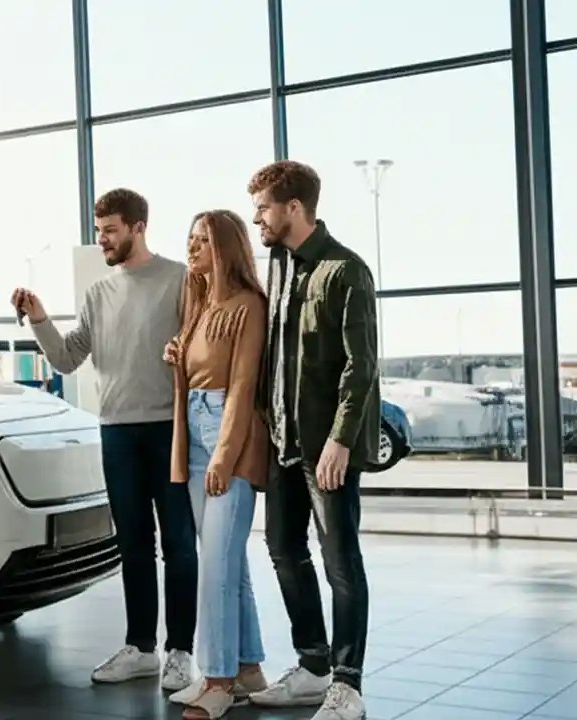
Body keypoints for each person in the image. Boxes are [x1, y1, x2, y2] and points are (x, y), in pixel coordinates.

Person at [11, 188, 197, 691]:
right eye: (98, 231)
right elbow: (68, 358)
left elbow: (202, 352)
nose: (103, 241)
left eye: (111, 230)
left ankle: (182, 651)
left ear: (138, 227)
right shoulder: (97, 293)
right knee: (133, 543)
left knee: (179, 542)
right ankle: (141, 648)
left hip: (169, 430)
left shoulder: (179, 279)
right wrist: (40, 319)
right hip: (115, 431)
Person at [245, 161, 378, 720]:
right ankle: (313, 665)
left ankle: (347, 684)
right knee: (283, 550)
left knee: (340, 562)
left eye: (263, 209)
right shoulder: (277, 269)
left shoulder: (346, 271)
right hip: (282, 441)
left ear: (293, 208)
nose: (257, 219)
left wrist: (341, 441)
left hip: (327, 448)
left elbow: (361, 366)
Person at [162, 210, 270, 718]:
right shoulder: (201, 304)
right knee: (228, 559)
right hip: (196, 428)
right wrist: (178, 358)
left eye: (202, 240)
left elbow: (244, 386)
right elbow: (200, 367)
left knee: (216, 566)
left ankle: (218, 680)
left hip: (229, 434)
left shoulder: (249, 305)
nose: (192, 248)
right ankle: (248, 669)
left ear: (225, 247)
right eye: (189, 239)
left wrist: (225, 456)